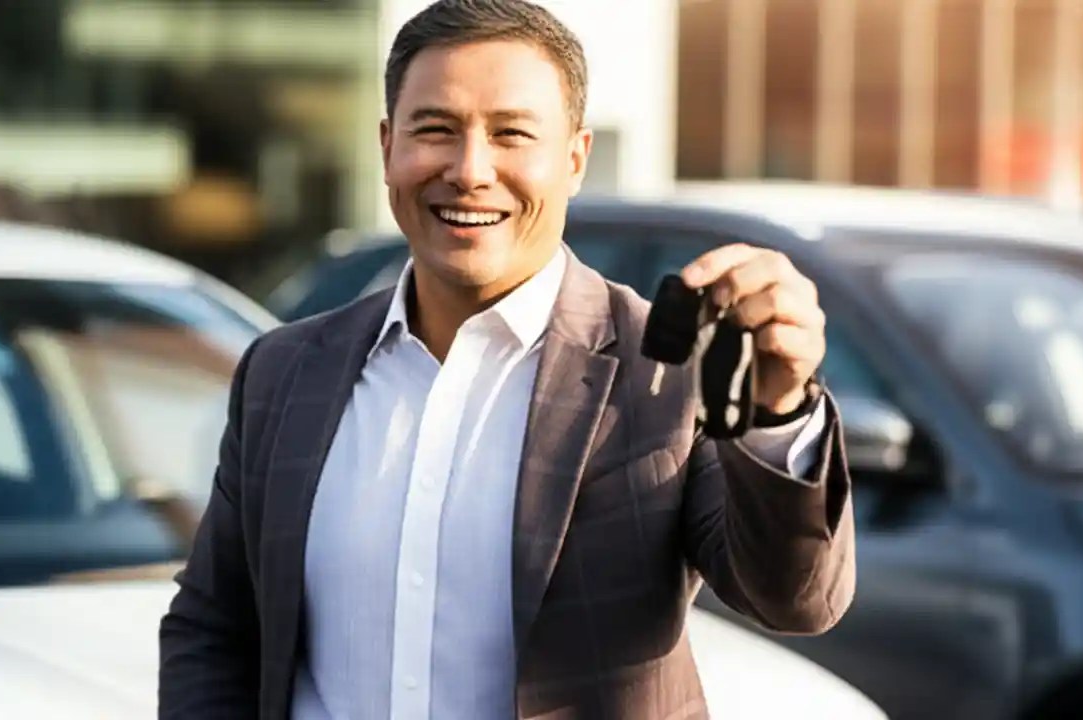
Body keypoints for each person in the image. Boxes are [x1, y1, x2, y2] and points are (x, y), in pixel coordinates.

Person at [158, 1, 855, 717]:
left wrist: (780, 410)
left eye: (512, 135)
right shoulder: (283, 370)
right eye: (435, 131)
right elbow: (215, 624)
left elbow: (795, 600)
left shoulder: (663, 373)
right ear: (387, 146)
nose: (469, 170)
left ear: (575, 158)